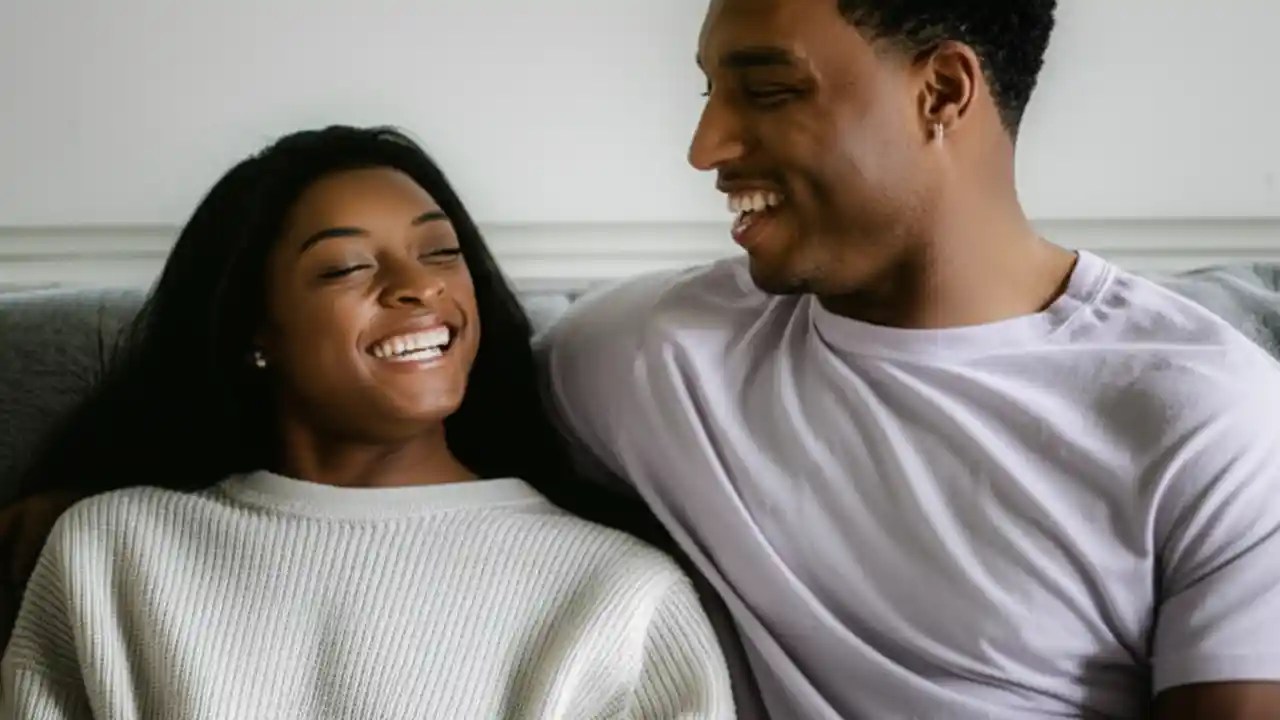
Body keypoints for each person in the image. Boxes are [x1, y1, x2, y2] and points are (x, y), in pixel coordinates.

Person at [540, 0, 1280, 718]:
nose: (706, 147)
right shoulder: (650, 354)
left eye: (768, 91)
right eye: (712, 92)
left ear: (942, 92)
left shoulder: (1206, 417)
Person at [0, 126, 735, 719]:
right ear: (255, 330)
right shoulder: (110, 549)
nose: (419, 286)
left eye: (442, 253)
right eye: (347, 267)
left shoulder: (618, 592)